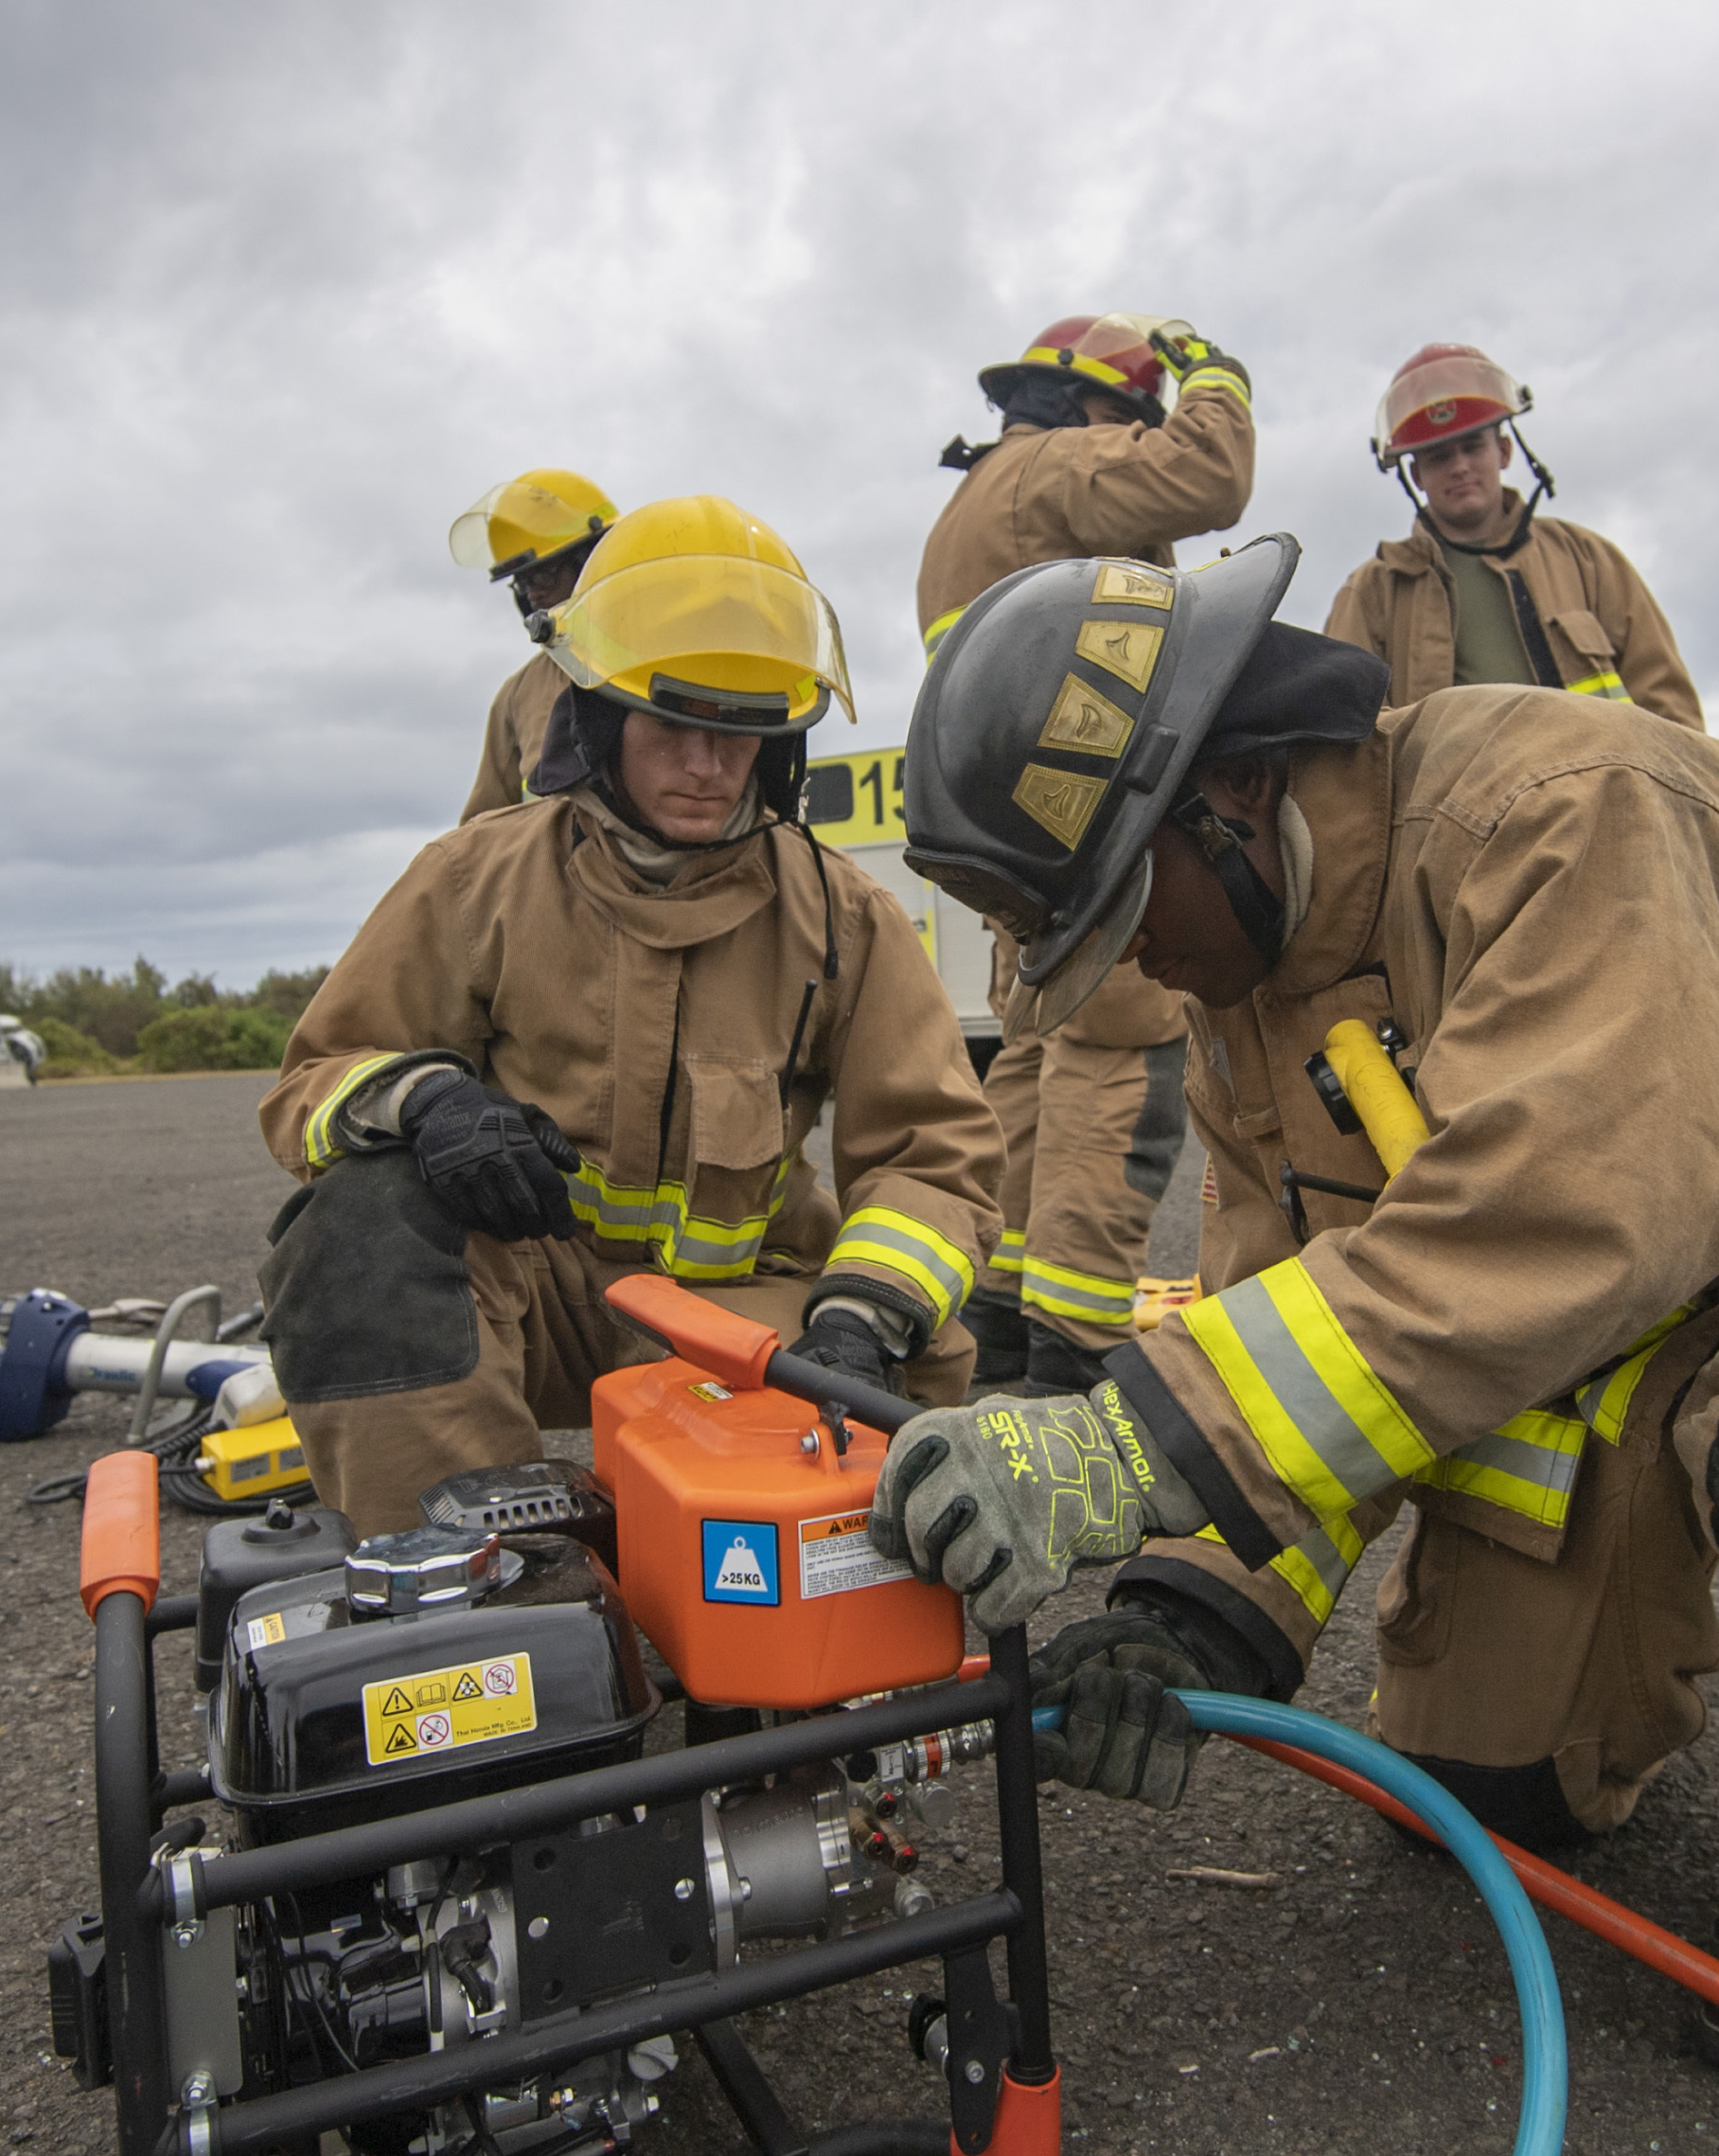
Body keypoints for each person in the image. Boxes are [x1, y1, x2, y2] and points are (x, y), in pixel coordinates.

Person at [873, 537, 1719, 2085]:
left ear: (1225, 788)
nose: (1134, 961)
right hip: (1632, 1284)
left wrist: (1119, 1443)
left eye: (1121, 907)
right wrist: (1186, 1613)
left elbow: (1591, 1202)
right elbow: (1309, 1320)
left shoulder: (1566, 799)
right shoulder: (1251, 992)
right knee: (1484, 1791)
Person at [259, 495, 1002, 1537]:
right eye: (674, 723)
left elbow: (936, 1155)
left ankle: (778, 1584)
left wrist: (859, 1316)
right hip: (539, 1299)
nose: (707, 765)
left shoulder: (844, 919)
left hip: (742, 1308)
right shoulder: (474, 880)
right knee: (354, 1239)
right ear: (599, 717)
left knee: (923, 1344)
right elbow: (317, 1075)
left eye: (738, 731)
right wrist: (426, 1102)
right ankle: (470, 1583)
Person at [916, 313, 1254, 1390]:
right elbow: (1211, 474)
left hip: (1020, 826)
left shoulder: (977, 499)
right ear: (1087, 405)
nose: (1132, 438)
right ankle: (1076, 1343)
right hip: (1095, 813)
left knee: (1033, 1057)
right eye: (1129, 416)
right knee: (1120, 1053)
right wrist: (1213, 376)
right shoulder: (1061, 465)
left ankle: (1004, 1313)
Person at [1324, 344, 1703, 728]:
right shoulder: (1372, 593)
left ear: (1504, 451)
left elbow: (1670, 709)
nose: (1459, 466)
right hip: (1457, 773)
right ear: (1416, 475)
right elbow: (1341, 730)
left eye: (1473, 447)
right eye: (1439, 456)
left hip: (1602, 770)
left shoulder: (1588, 560)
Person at [447, 469, 617, 822]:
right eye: (523, 583)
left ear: (592, 562)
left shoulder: (664, 652)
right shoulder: (518, 694)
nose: (534, 594)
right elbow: (482, 831)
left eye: (545, 573)